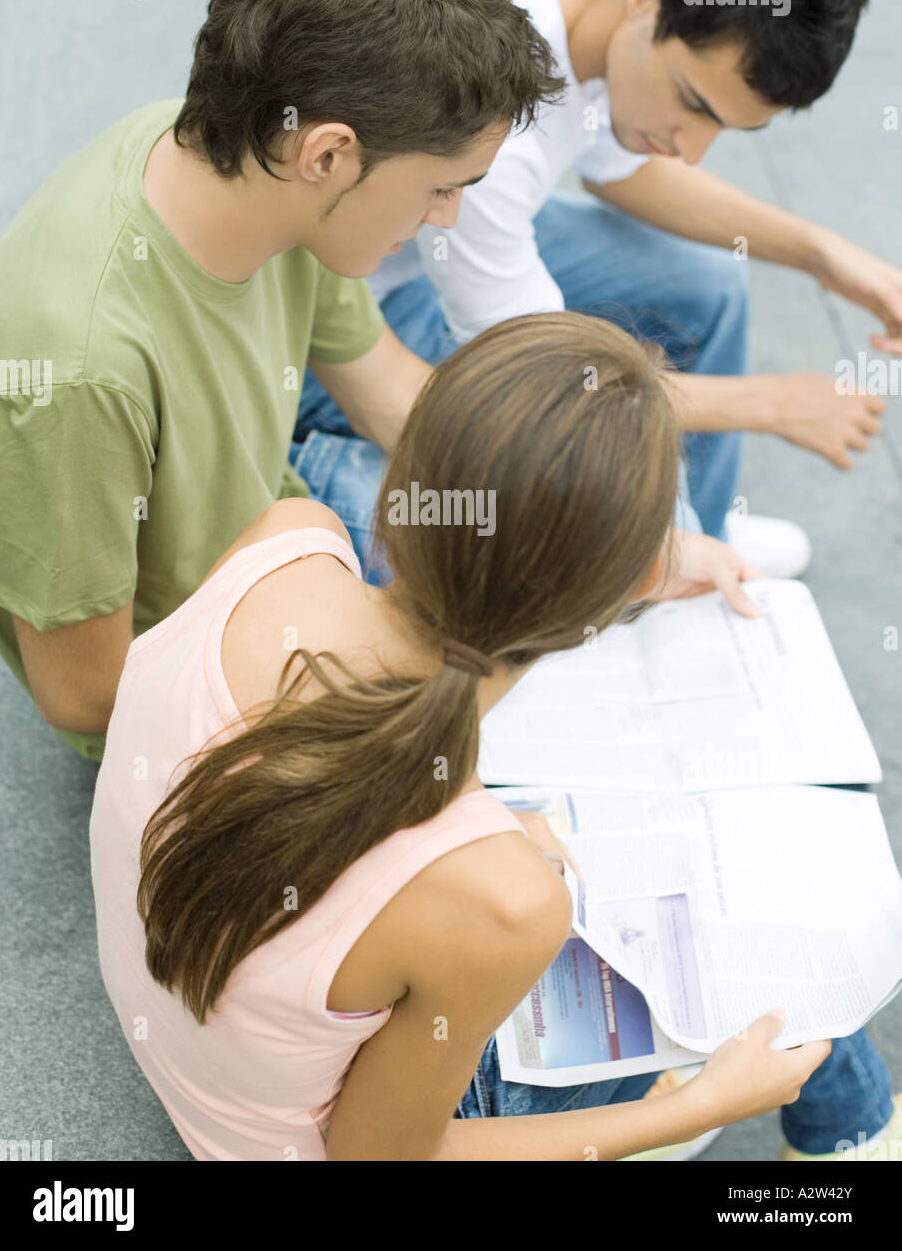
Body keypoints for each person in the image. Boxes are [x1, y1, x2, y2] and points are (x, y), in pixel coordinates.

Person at [90, 312, 899, 1161]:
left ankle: (851, 1131)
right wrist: (702, 1108)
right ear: (595, 605)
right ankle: (847, 1136)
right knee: (780, 933)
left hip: (183, 1018)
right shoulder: (501, 899)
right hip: (274, 1142)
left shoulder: (291, 542)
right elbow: (379, 1158)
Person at [0, 0, 564, 763]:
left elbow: (391, 396)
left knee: (520, 564)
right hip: (194, 703)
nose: (444, 219)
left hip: (280, 551)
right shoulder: (82, 368)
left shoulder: (248, 170)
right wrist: (384, 684)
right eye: (443, 186)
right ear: (327, 155)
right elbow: (86, 694)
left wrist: (596, 525)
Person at [295, 0, 892, 577]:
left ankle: (704, 533)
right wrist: (771, 403)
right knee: (594, 463)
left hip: (449, 249)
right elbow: (542, 381)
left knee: (707, 278)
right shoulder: (498, 135)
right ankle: (667, 546)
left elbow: (620, 169)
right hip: (363, 302)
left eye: (725, 128)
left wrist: (823, 256)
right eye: (690, 103)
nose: (692, 149)